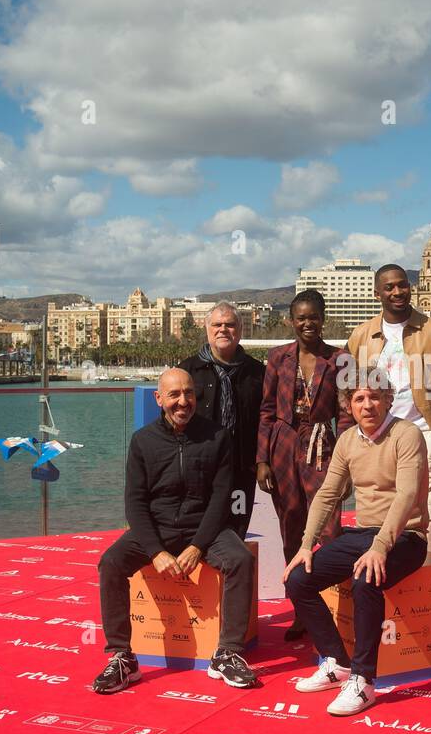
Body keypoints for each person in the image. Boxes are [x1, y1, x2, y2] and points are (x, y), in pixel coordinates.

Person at [92, 367, 259, 693]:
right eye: (174, 395)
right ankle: (122, 658)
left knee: (241, 559)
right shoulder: (143, 441)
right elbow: (135, 503)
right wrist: (155, 551)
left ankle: (227, 653)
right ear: (159, 399)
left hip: (205, 530)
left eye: (189, 393)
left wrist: (197, 546)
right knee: (110, 562)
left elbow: (220, 498)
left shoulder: (217, 437)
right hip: (157, 528)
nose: (183, 402)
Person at [283, 368, 428, 716]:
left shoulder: (407, 435)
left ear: (388, 400)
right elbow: (327, 493)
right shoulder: (348, 440)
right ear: (349, 404)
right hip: (363, 534)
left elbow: (407, 493)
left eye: (375, 396)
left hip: (407, 536)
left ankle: (363, 681)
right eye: (359, 398)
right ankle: (336, 661)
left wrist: (380, 547)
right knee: (298, 579)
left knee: (367, 579)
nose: (367, 404)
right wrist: (306, 545)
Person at [256, 289, 352, 641]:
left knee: (328, 528)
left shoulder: (341, 359)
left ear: (323, 318)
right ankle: (303, 610)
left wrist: (344, 459)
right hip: (282, 443)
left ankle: (337, 608)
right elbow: (266, 410)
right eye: (301, 317)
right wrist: (261, 460)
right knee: (291, 523)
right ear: (291, 320)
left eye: (314, 316)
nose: (307, 323)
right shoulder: (277, 357)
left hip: (321, 443)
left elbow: (346, 413)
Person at [343, 264, 431, 556]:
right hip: (376, 437)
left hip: (422, 436)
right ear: (377, 292)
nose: (397, 292)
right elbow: (346, 389)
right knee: (374, 508)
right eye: (390, 287)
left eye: (402, 285)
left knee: (429, 510)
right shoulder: (361, 336)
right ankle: (375, 572)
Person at [178, 302, 266, 539]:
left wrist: (262, 462)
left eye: (230, 325)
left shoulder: (258, 373)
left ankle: (233, 575)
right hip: (198, 469)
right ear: (207, 329)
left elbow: (267, 421)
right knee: (197, 532)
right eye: (217, 324)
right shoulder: (188, 371)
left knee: (236, 532)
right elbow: (171, 422)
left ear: (240, 329)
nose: (223, 330)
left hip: (241, 469)